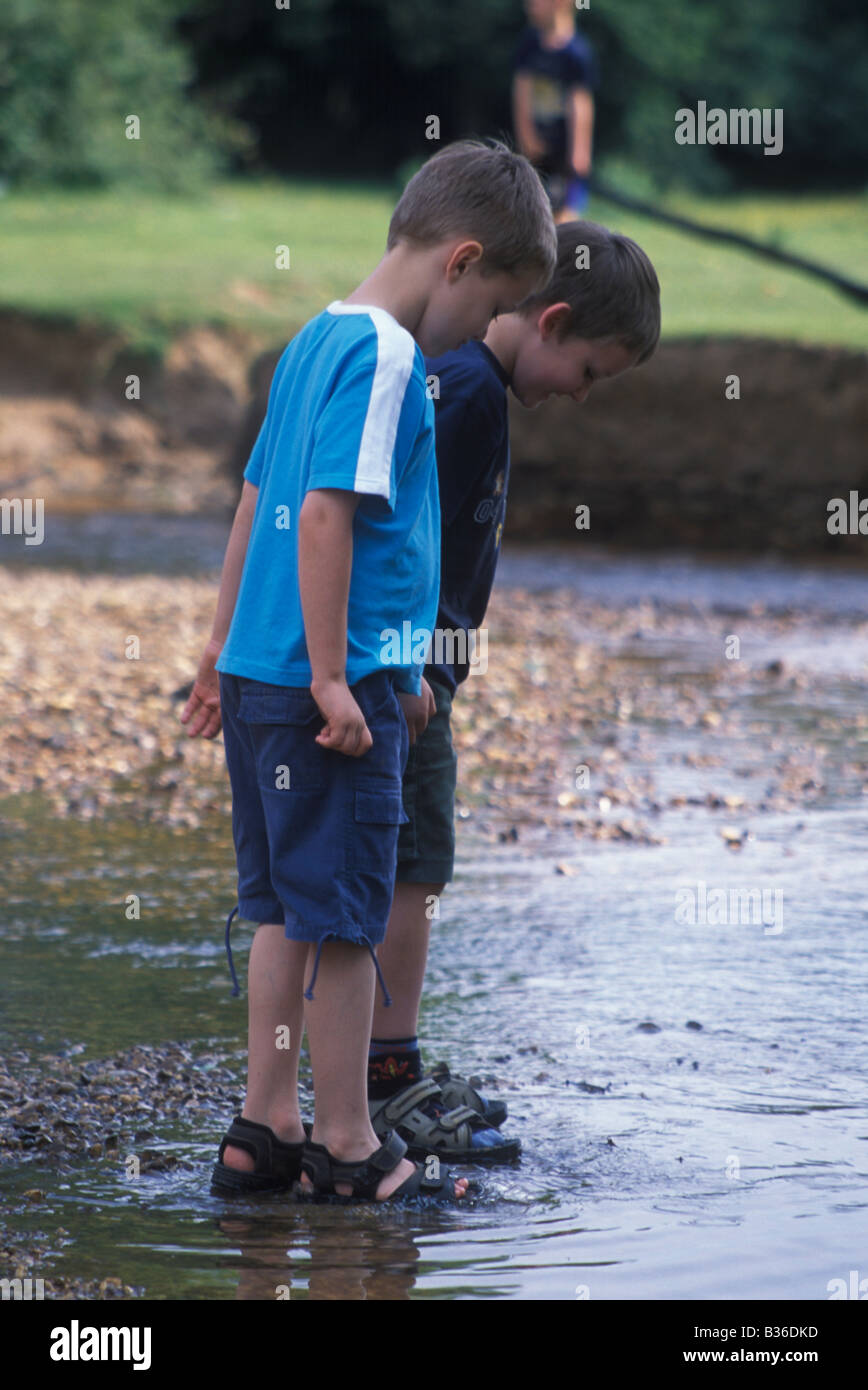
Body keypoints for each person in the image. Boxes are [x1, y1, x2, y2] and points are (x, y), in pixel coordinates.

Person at [180, 139, 557, 1204]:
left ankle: (265, 1124)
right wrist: (344, 677)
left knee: (280, 912)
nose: (481, 332)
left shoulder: (310, 341)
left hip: (263, 674)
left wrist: (218, 648)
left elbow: (258, 500)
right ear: (462, 260)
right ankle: (347, 1141)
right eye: (492, 303)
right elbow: (331, 517)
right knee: (346, 920)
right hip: (318, 691)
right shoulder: (389, 356)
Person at [367, 220, 661, 1163]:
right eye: (588, 374)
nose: (577, 397)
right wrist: (410, 668)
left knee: (416, 862)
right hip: (408, 677)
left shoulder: (474, 389)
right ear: (553, 320)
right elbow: (398, 542)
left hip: (421, 671)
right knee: (415, 866)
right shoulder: (464, 399)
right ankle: (389, 1077)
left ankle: (384, 1063)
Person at [512, 0, 597, 222]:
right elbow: (522, 91)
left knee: (564, 217)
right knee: (531, 214)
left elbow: (581, 103)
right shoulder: (529, 44)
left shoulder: (577, 53)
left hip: (563, 152)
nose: (529, 6)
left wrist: (580, 150)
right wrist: (527, 136)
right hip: (536, 149)